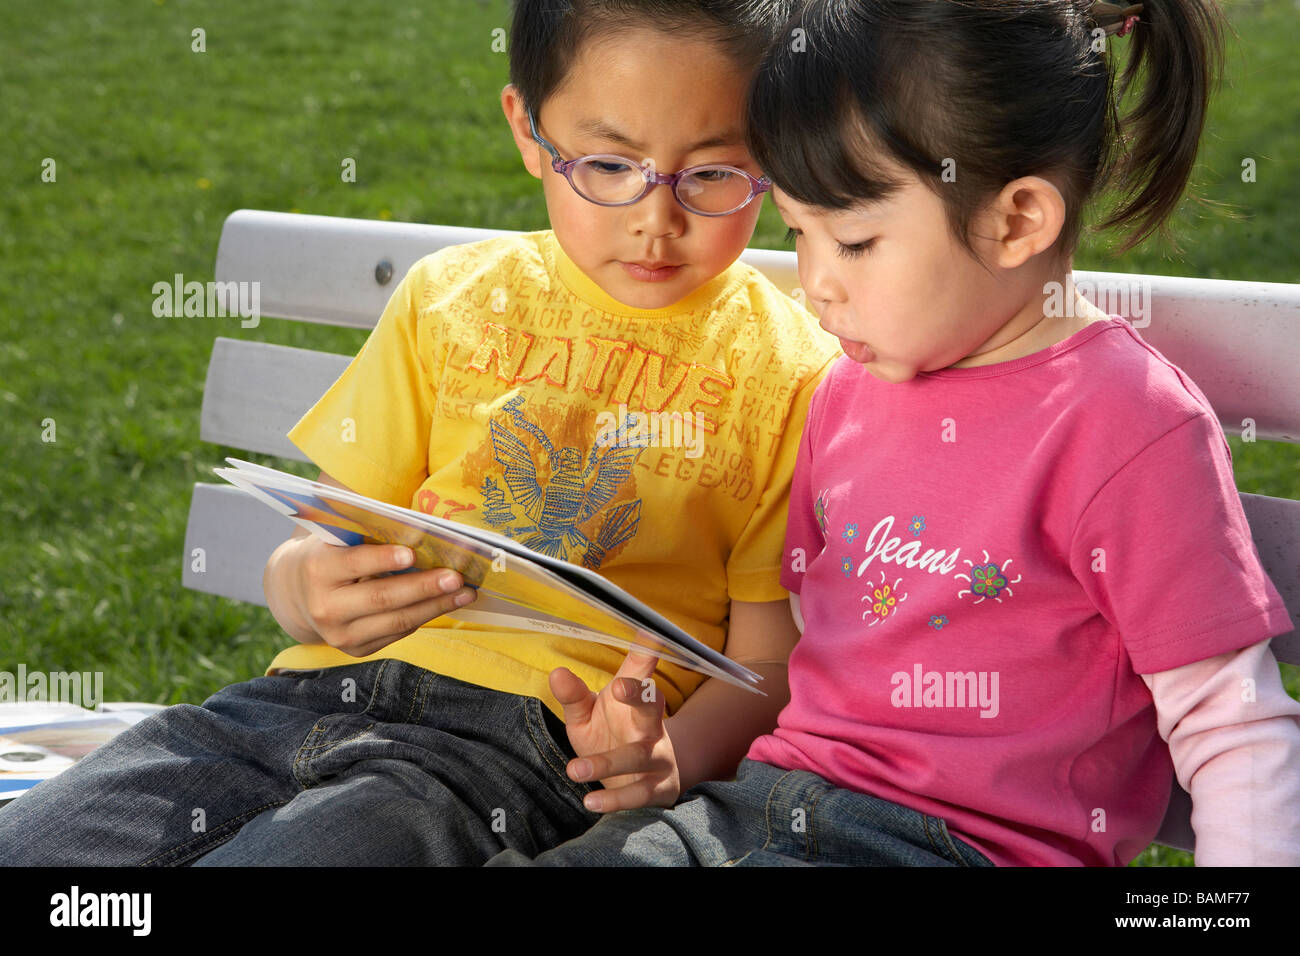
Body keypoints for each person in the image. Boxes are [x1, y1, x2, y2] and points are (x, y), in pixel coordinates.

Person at [0, 0, 839, 866]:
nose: (654, 218)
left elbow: (769, 668)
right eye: (607, 164)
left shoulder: (790, 372)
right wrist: (305, 587)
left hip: (513, 750)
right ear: (528, 129)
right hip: (291, 704)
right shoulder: (450, 297)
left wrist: (665, 763)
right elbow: (326, 539)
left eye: (713, 174)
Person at [488, 0, 1300, 867]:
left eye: (854, 242)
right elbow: (803, 643)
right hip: (758, 807)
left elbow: (1232, 726)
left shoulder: (1126, 423)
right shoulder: (845, 392)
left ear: (1017, 220)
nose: (816, 283)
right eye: (799, 233)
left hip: (961, 846)